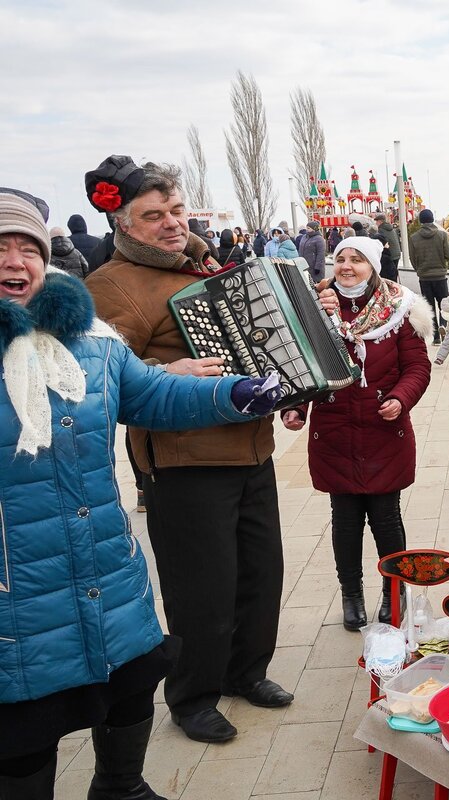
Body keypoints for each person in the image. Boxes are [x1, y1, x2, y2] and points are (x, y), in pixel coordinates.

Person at [0, 191, 280, 799]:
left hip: (104, 559)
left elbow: (150, 393)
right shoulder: (114, 292)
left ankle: (122, 789)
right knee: (26, 724)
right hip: (19, 581)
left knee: (127, 688)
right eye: (1, 248)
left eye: (29, 248)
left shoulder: (90, 341)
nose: (15, 262)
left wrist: (232, 394)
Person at [84, 156, 293, 745]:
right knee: (202, 587)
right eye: (154, 216)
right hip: (183, 460)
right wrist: (164, 370)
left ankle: (245, 672)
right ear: (123, 224)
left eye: (176, 210)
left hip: (250, 446)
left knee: (261, 573)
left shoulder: (206, 264)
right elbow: (103, 377)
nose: (171, 223)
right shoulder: (111, 285)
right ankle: (192, 695)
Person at [282, 237, 432, 630]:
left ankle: (393, 590)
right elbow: (302, 365)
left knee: (386, 518)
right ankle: (351, 594)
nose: (346, 266)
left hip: (385, 431)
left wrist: (401, 398)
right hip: (334, 432)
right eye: (341, 259)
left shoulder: (402, 308)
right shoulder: (313, 306)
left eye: (357, 260)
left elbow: (417, 367)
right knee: (345, 520)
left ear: (375, 265)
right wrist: (297, 406)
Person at [410, 208, 449, 342]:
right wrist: (443, 265)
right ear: (432, 219)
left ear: (420, 221)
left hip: (424, 277)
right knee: (444, 305)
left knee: (429, 307)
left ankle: (435, 337)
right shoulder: (442, 235)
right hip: (440, 276)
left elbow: (412, 258)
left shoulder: (413, 238)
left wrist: (420, 270)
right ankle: (443, 327)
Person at [374, 213, 402, 280]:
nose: (376, 223)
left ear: (380, 221)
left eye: (376, 221)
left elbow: (382, 242)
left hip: (390, 255)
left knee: (388, 275)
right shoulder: (391, 228)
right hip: (397, 253)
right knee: (393, 273)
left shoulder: (381, 230)